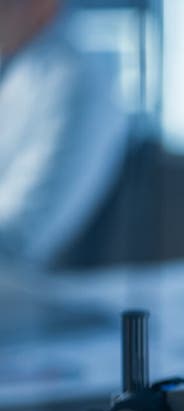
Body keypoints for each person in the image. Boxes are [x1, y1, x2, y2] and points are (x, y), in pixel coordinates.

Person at [0, 0, 128, 267]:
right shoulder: (22, 66)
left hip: (32, 293)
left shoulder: (76, 80)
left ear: (41, 5)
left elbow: (22, 236)